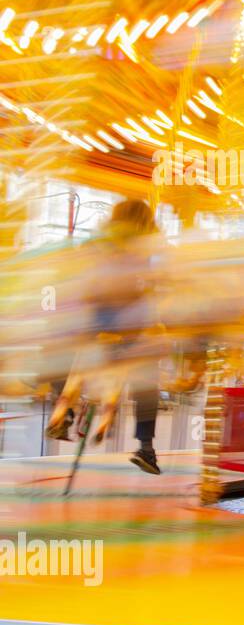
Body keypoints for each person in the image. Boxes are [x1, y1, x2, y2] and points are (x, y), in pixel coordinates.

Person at [46, 198, 163, 474]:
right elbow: (153, 289)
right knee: (146, 381)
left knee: (61, 354)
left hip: (96, 321)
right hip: (131, 326)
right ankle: (146, 447)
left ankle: (65, 410)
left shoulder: (100, 243)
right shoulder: (149, 248)